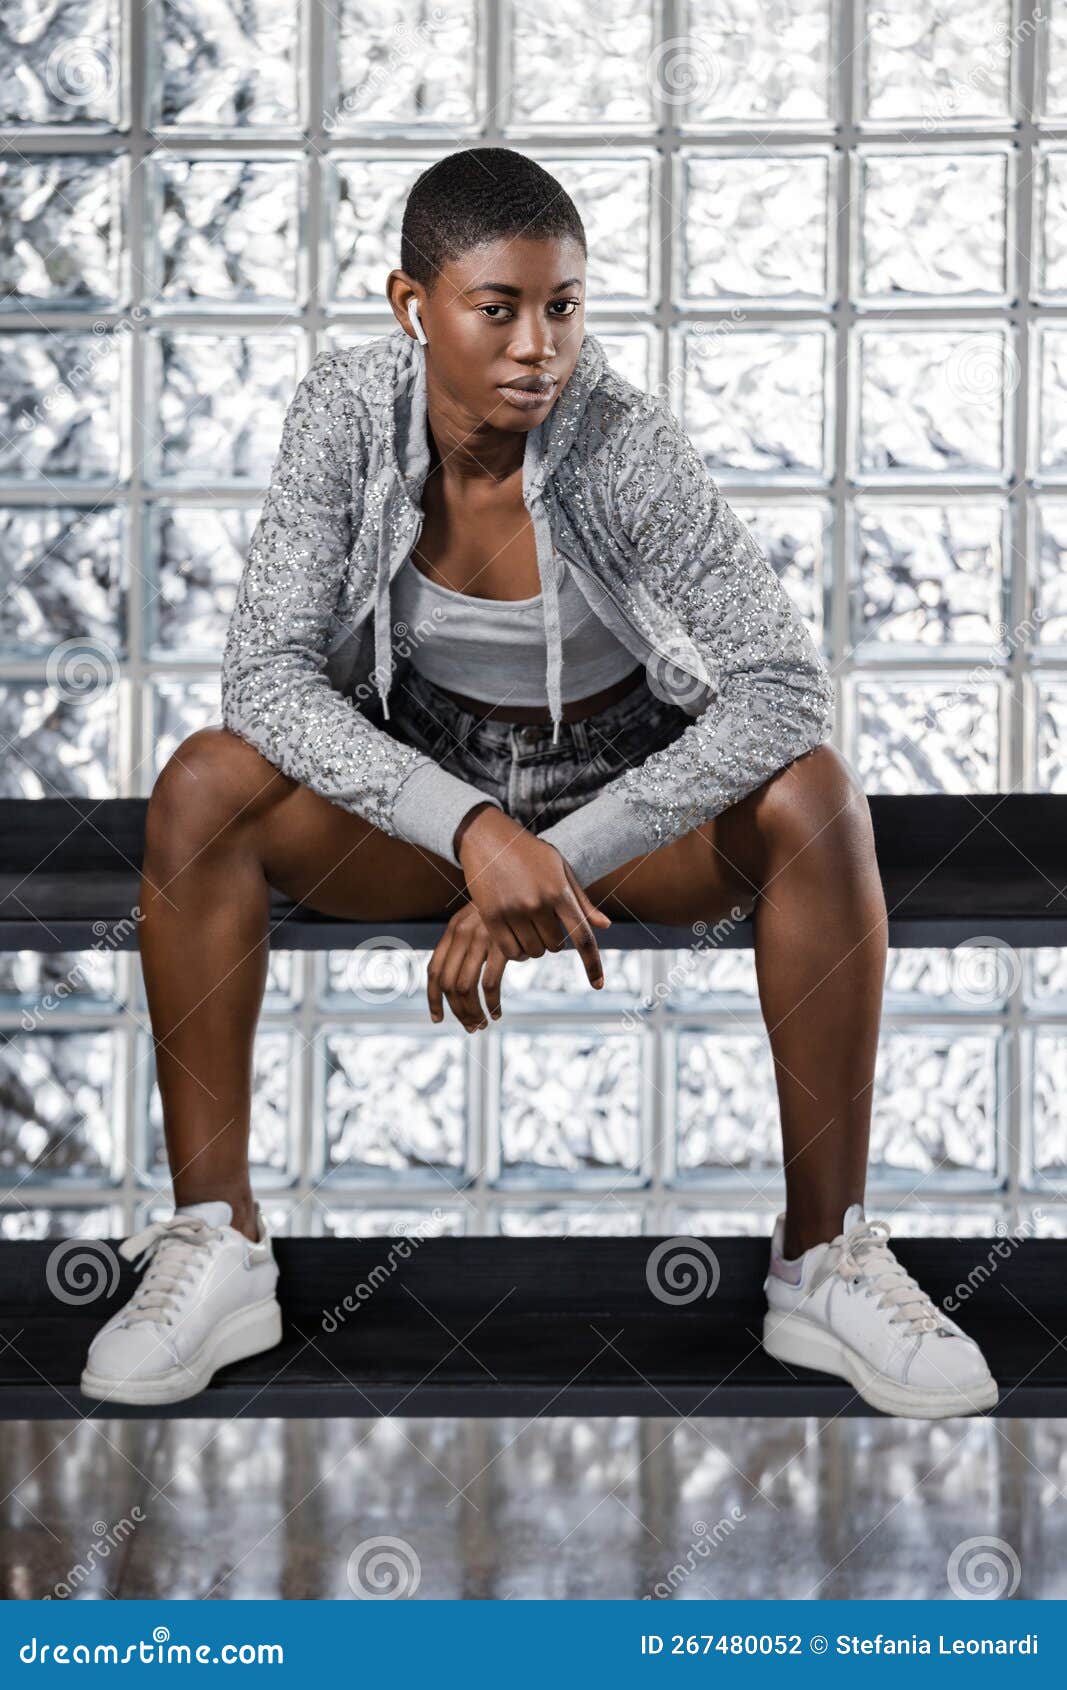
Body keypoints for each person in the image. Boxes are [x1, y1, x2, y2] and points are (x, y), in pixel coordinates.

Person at [79, 147, 998, 1419]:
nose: (537, 346)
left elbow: (782, 687)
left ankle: (821, 1258)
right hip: (420, 790)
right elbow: (267, 681)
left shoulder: (619, 440)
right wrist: (472, 829)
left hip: (622, 796)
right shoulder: (345, 412)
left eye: (561, 306)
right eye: (496, 308)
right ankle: (218, 1240)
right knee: (201, 781)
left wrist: (555, 851)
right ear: (413, 306)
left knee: (816, 793)